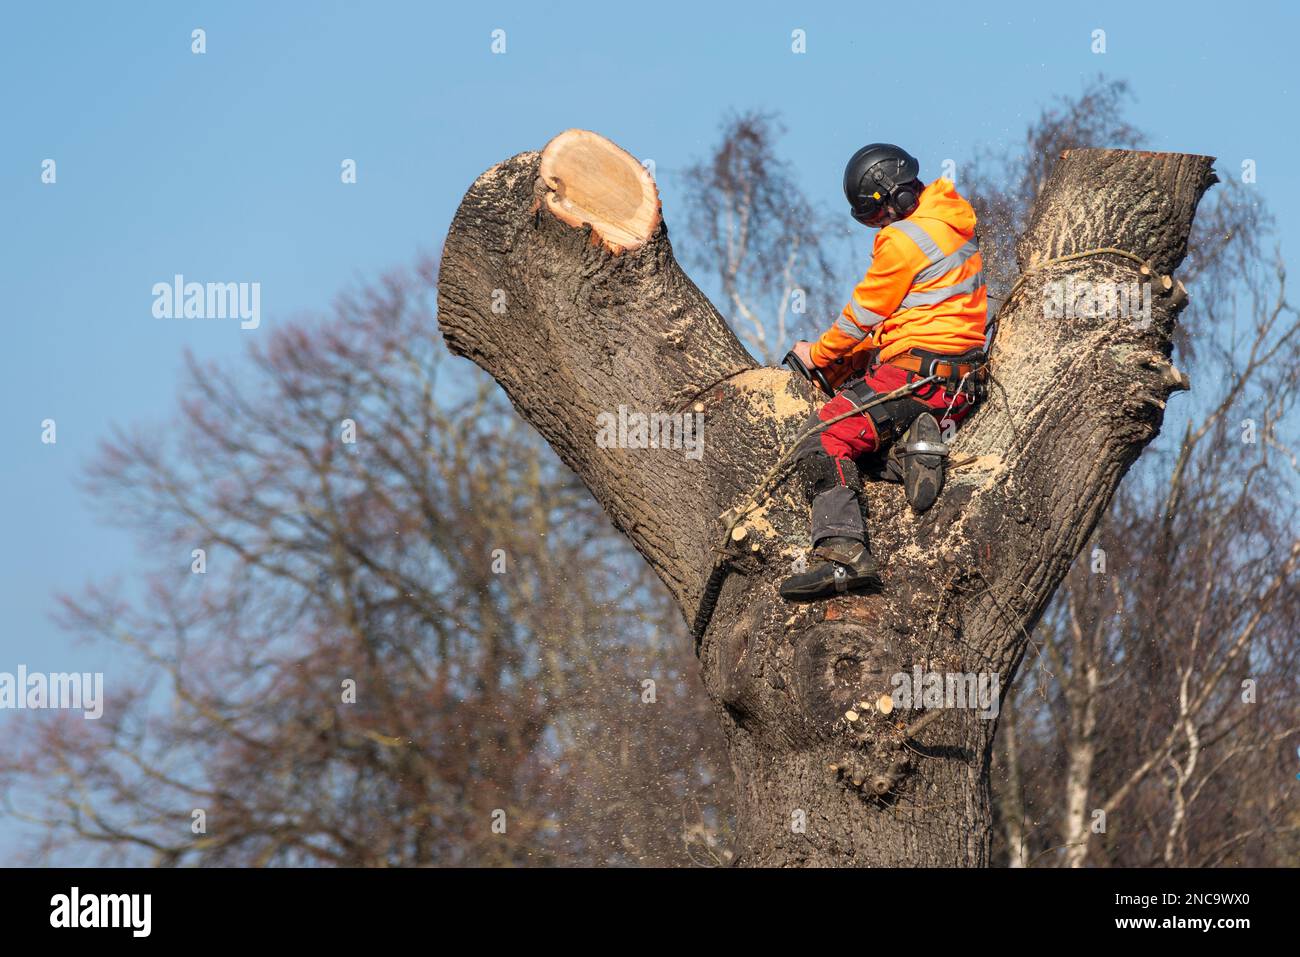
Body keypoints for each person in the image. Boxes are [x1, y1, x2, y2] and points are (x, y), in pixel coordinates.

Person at [779, 143, 988, 601]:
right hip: (959, 381)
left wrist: (816, 355)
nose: (879, 227)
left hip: (917, 374)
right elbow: (922, 312)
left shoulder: (903, 239)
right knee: (858, 444)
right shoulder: (952, 225)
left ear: (895, 198)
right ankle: (914, 449)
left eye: (877, 216)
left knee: (824, 436)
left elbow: (862, 315)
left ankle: (842, 555)